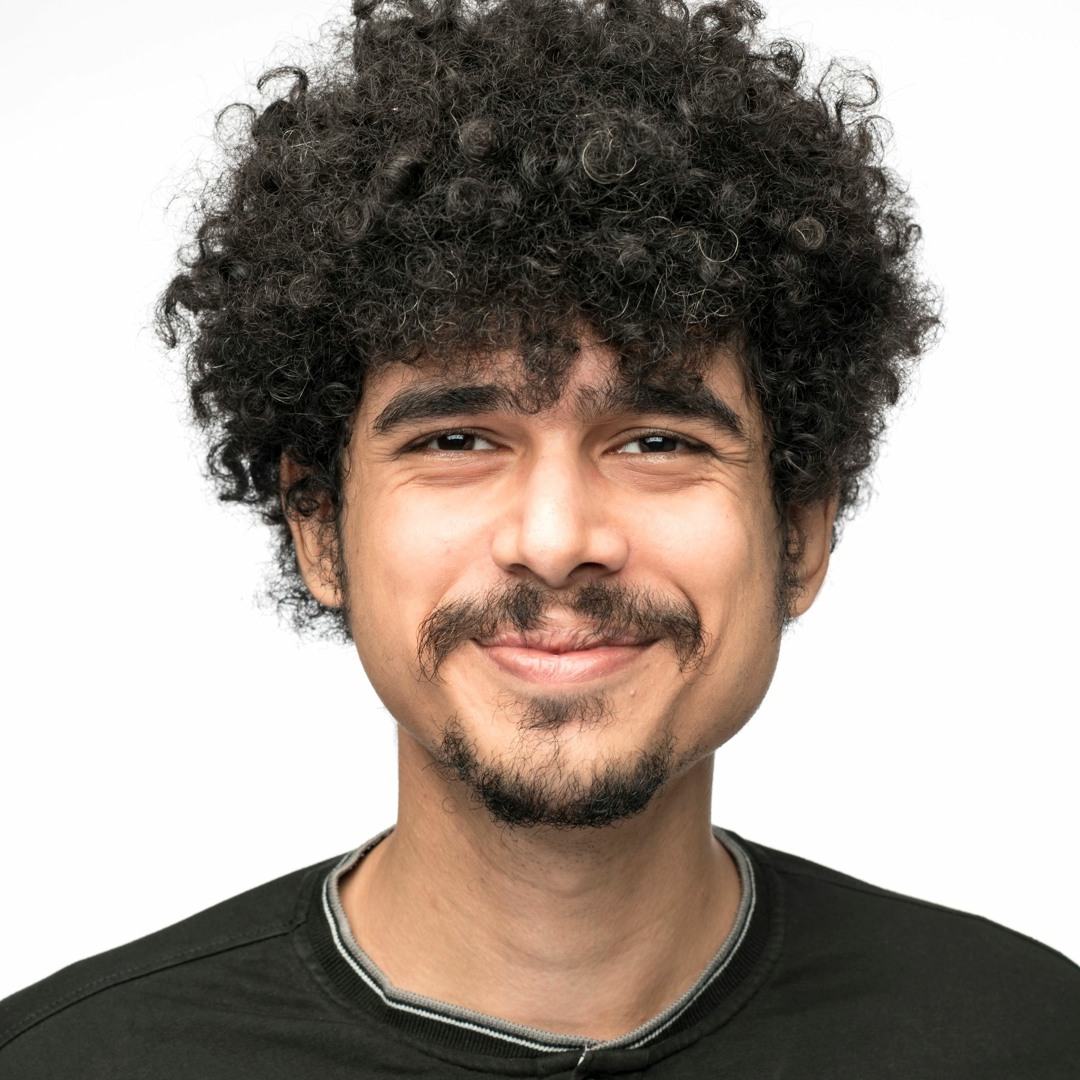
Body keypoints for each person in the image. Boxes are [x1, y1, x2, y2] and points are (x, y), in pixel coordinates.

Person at [2, 0, 1077, 1075]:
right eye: (457, 439)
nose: (557, 541)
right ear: (319, 525)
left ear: (799, 531)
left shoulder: (1030, 1038)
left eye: (656, 441)